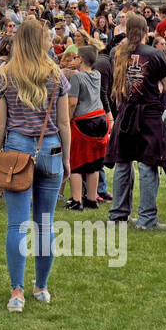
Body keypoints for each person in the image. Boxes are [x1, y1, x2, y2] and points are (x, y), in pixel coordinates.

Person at [0, 18, 71, 311]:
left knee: (17, 225)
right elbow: (64, 122)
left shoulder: (5, 74)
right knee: (45, 223)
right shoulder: (56, 74)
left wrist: (0, 152)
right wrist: (68, 158)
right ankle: (42, 287)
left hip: (17, 149)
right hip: (50, 148)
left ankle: (17, 290)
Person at [106, 14, 166, 230]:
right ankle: (147, 219)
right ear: (146, 30)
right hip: (149, 114)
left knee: (123, 163)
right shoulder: (154, 54)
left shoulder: (119, 52)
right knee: (147, 164)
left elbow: (117, 88)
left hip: (126, 112)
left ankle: (118, 214)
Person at [65, 44, 108, 210]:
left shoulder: (77, 77)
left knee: (76, 161)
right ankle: (92, 198)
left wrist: (67, 121)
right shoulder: (97, 74)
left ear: (81, 59)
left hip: (83, 121)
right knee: (94, 162)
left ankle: (76, 200)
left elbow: (72, 102)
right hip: (100, 118)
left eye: (76, 57)